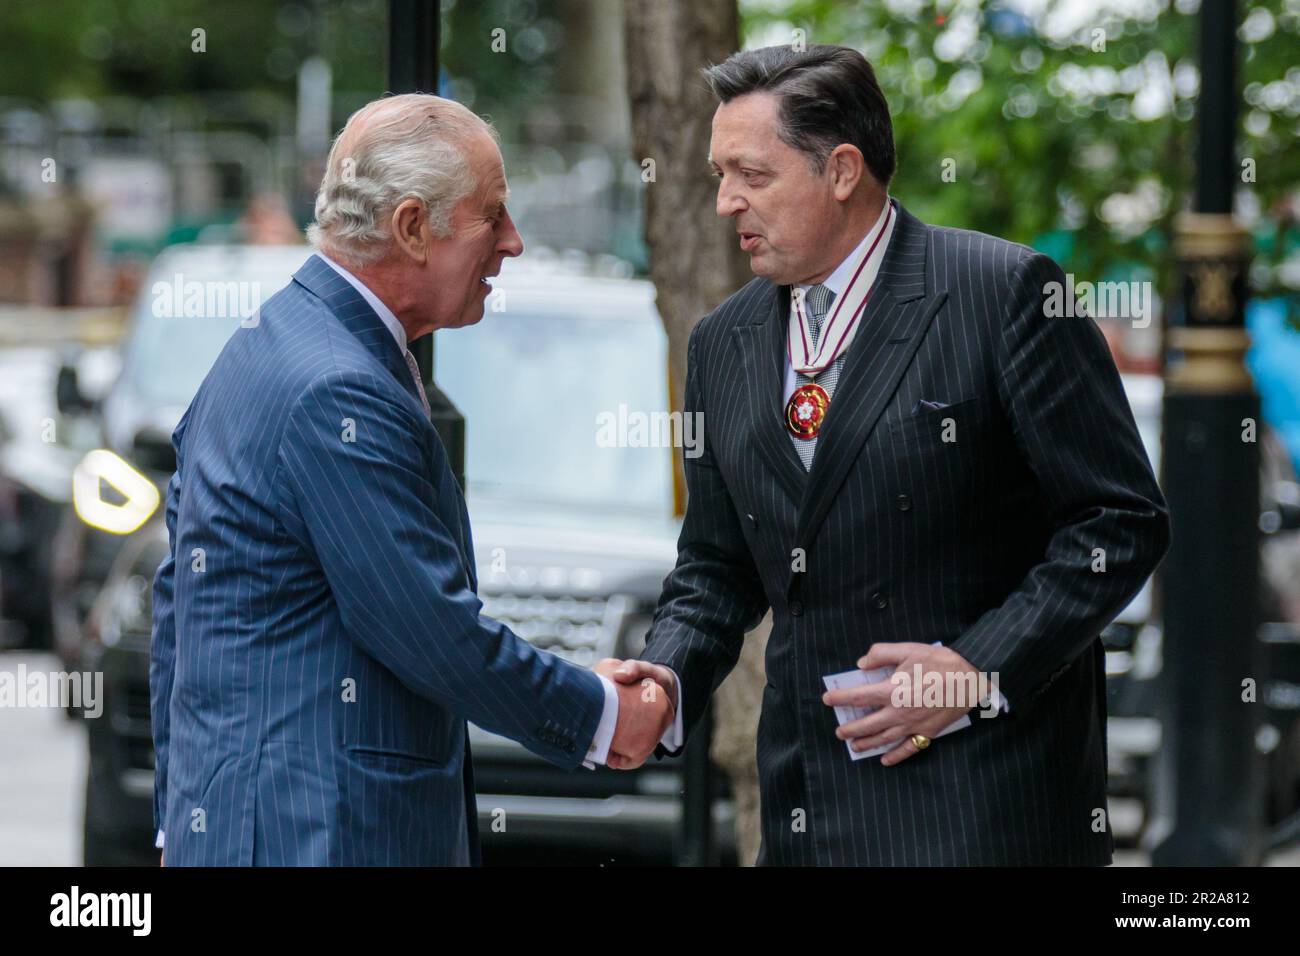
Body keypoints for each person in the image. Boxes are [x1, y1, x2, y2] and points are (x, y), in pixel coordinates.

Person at [604, 45, 1170, 865]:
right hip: (805, 812)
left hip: (984, 810)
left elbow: (1118, 524)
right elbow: (716, 571)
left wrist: (972, 670)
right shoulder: (721, 342)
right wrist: (662, 681)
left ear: (841, 170)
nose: (726, 202)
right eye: (718, 174)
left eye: (751, 174)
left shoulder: (1003, 293)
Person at [150, 94, 673, 866]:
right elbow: (427, 626)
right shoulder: (335, 385)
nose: (514, 242)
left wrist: (180, 821)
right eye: (492, 214)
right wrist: (599, 713)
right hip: (322, 837)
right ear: (410, 228)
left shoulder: (272, 342)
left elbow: (175, 608)